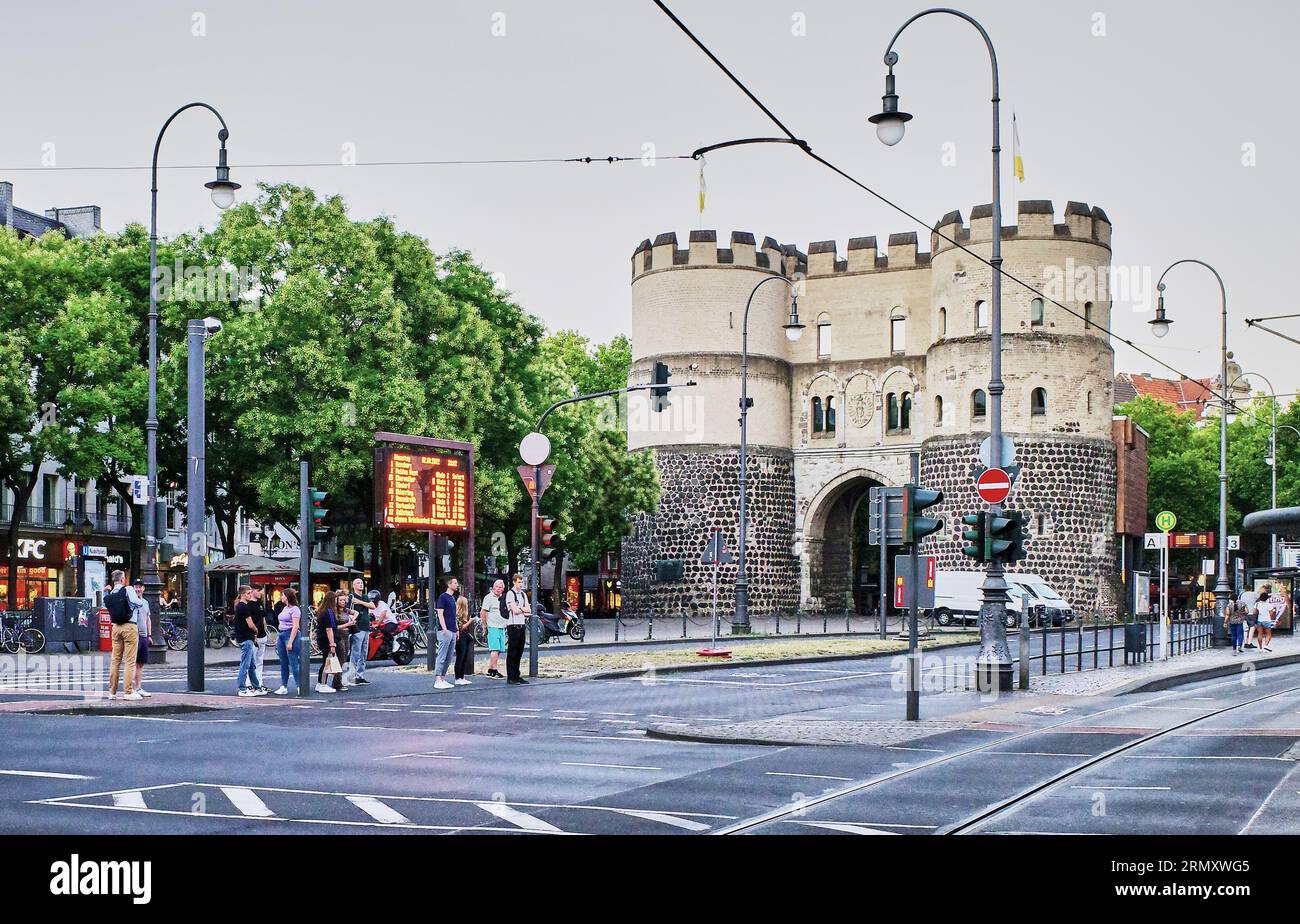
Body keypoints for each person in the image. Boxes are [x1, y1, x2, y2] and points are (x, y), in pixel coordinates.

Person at [105, 570, 143, 701]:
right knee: (130, 661)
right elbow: (137, 602)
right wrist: (139, 601)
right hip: (129, 626)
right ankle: (128, 691)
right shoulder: (128, 589)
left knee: (115, 660)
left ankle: (112, 692)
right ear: (122, 580)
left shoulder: (110, 593)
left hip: (115, 627)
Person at [232, 585, 266, 697]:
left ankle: (256, 687)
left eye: (251, 592)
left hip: (246, 638)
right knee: (245, 665)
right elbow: (251, 624)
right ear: (242, 594)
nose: (250, 595)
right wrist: (256, 631)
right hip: (246, 638)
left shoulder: (240, 606)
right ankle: (242, 688)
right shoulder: (243, 607)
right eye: (248, 593)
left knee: (251, 665)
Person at [430, 576, 459, 690]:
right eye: (455, 583)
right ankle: (437, 679)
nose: (457, 585)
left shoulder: (452, 598)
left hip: (452, 630)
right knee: (442, 655)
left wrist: (456, 629)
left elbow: (454, 616)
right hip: (445, 631)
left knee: (449, 656)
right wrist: (444, 628)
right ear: (449, 584)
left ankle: (442, 678)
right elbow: (440, 614)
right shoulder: (443, 597)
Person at [315, 591, 347, 693]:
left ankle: (320, 683)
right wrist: (332, 644)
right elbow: (329, 629)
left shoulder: (322, 611)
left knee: (325, 661)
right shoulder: (329, 612)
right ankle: (323, 684)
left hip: (321, 638)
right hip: (326, 639)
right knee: (326, 662)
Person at [275, 587, 303, 695]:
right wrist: (278, 637)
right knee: (283, 662)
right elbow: (281, 622)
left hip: (290, 634)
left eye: (282, 595)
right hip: (281, 634)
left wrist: (290, 641)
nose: (281, 597)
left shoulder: (295, 609)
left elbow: (296, 626)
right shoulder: (285, 608)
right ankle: (283, 686)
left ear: (287, 597)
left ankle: (300, 685)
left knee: (293, 662)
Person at [504, 573, 529, 685]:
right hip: (513, 625)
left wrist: (521, 609)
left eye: (522, 582)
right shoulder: (510, 594)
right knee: (512, 651)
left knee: (519, 651)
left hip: (522, 624)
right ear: (514, 582)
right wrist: (522, 609)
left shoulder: (523, 594)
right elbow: (515, 610)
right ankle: (511, 676)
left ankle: (517, 675)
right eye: (519, 582)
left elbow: (528, 609)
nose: (521, 584)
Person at [349, 578, 375, 685]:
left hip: (366, 627)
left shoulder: (364, 597)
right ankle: (351, 676)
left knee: (363, 653)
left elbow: (372, 606)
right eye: (358, 583)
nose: (361, 585)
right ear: (353, 585)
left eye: (362, 583)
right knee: (355, 652)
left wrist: (359, 602)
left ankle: (360, 676)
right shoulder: (351, 597)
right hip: (357, 627)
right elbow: (348, 610)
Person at [481, 579, 507, 679]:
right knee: (495, 649)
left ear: (503, 589)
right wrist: (484, 626)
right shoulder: (488, 598)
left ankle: (491, 669)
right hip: (492, 626)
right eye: (496, 586)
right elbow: (483, 612)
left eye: (500, 587)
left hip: (501, 626)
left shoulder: (503, 598)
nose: (498, 589)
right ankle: (494, 670)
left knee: (500, 649)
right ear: (493, 587)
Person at [132, 579, 153, 697]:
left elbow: (148, 619)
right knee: (133, 663)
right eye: (136, 587)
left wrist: (149, 635)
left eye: (140, 587)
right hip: (134, 635)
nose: (138, 589)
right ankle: (131, 689)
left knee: (140, 663)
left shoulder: (145, 602)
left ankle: (138, 687)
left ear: (143, 589)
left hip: (144, 636)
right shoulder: (131, 601)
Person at [249, 586, 271, 692]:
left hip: (262, 635)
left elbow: (263, 618)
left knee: (259, 661)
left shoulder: (260, 603)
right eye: (258, 591)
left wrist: (266, 629)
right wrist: (254, 635)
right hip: (253, 636)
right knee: (252, 661)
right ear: (252, 591)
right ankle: (250, 684)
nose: (261, 593)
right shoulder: (248, 605)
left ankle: (259, 683)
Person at [1259, 585, 1286, 653]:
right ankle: (1266, 645)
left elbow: (1254, 612)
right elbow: (1271, 613)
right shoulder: (1269, 604)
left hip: (1259, 620)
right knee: (1268, 634)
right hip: (1267, 620)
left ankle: (1260, 648)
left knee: (1260, 634)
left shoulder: (1257, 604)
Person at [454, 595, 474, 686]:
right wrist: (470, 621)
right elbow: (461, 627)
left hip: (464, 636)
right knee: (460, 657)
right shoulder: (458, 614)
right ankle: (458, 678)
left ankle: (461, 677)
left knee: (464, 656)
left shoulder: (463, 614)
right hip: (461, 636)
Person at [1237, 585, 1261, 649]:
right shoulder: (1254, 594)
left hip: (1243, 613)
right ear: (1251, 588)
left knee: (1245, 628)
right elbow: (1260, 598)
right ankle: (1249, 643)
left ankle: (1245, 642)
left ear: (1244, 589)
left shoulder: (1241, 595)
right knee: (1252, 627)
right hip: (1251, 613)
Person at [1228, 589, 1250, 654]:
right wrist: (1243, 614)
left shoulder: (1229, 605)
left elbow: (1227, 614)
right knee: (1240, 634)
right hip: (1240, 621)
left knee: (1233, 635)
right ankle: (1239, 646)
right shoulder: (1242, 603)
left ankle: (1234, 649)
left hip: (1232, 621)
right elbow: (1247, 611)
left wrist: (1225, 622)